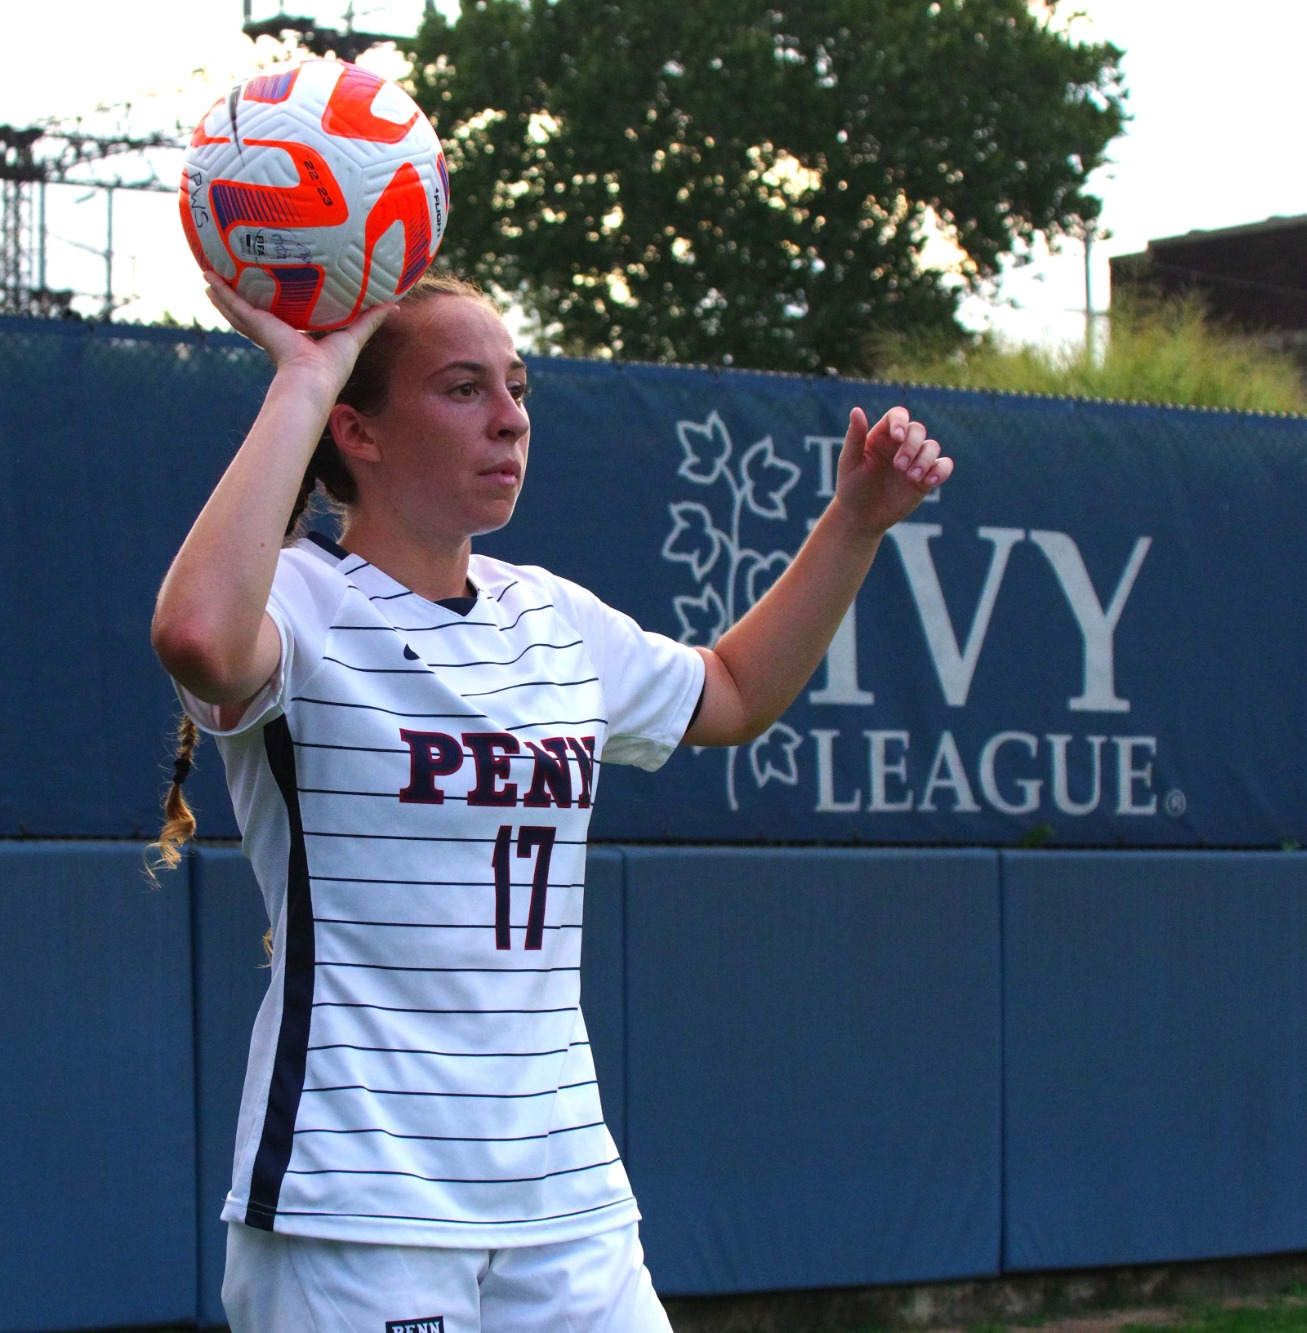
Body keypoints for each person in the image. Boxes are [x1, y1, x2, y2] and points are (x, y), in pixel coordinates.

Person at [150, 269, 952, 1333]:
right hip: (359, 1201)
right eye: (462, 388)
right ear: (360, 430)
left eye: (517, 387)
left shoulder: (552, 618)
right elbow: (199, 637)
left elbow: (733, 691)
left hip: (564, 1198)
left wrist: (854, 522)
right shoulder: (300, 600)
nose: (510, 418)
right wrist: (303, 370)